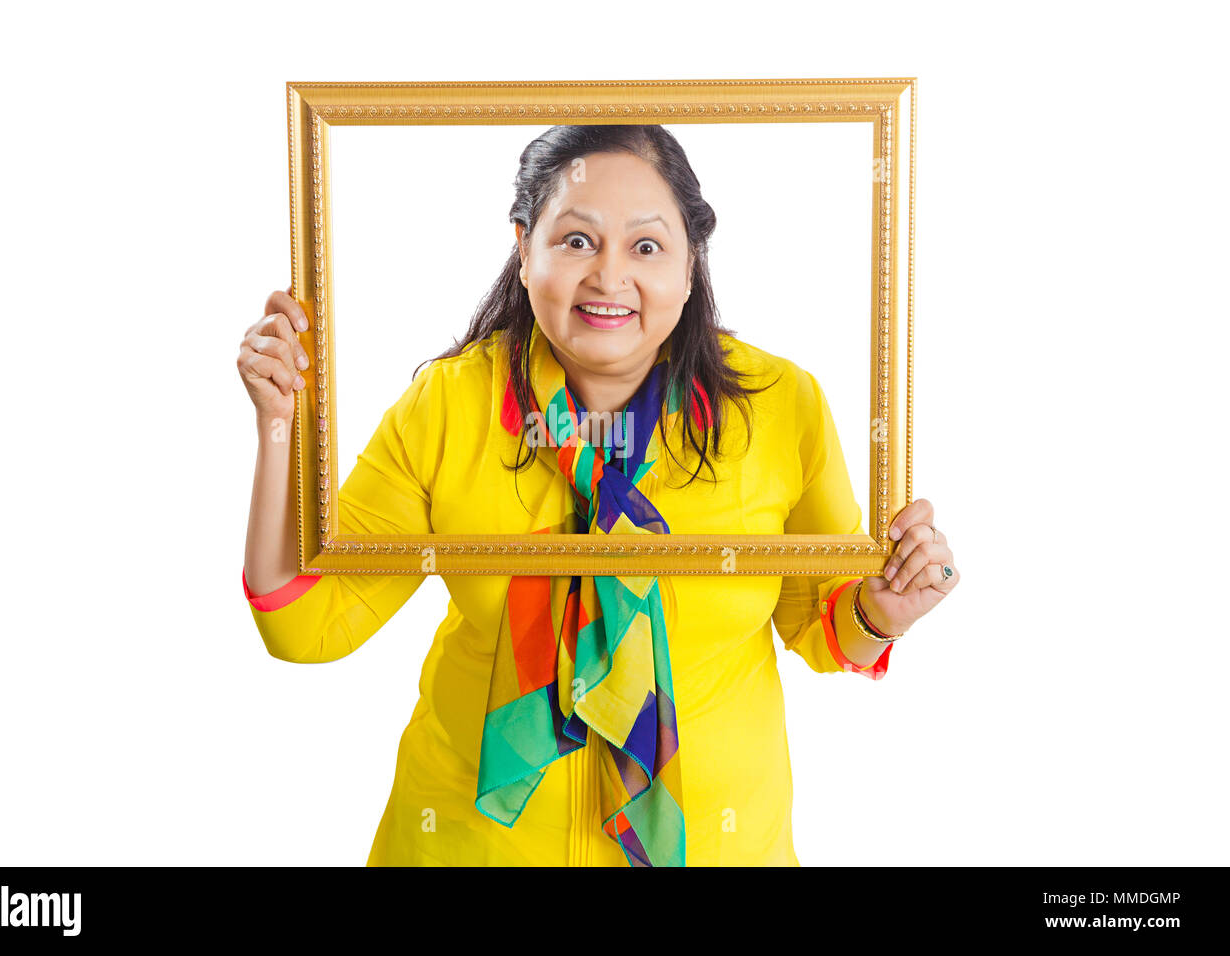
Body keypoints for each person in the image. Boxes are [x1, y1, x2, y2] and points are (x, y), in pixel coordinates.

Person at [236, 125, 960, 866]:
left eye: (646, 247)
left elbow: (822, 621)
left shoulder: (782, 405)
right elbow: (306, 623)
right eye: (577, 241)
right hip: (468, 846)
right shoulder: (447, 406)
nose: (610, 279)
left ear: (689, 264)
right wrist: (278, 427)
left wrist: (880, 609)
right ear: (524, 249)